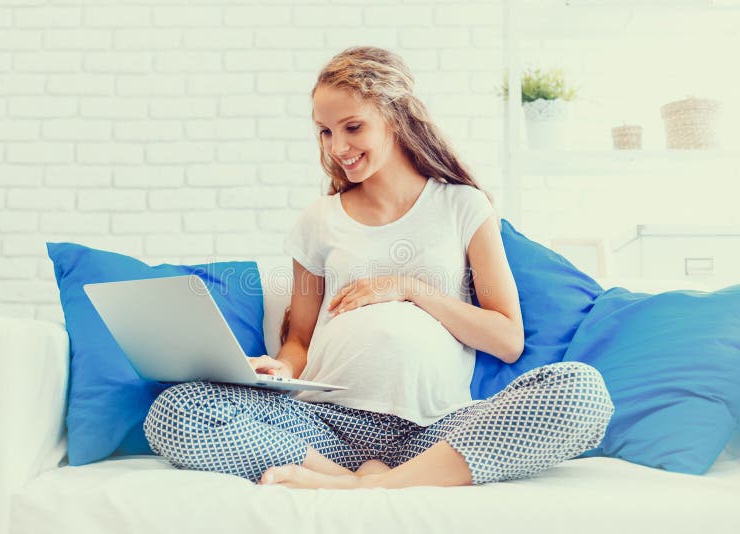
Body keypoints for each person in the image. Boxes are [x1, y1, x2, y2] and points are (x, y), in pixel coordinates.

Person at [143, 46, 614, 490]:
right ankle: (345, 479)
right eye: (325, 132)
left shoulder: (462, 207)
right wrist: (279, 368)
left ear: (395, 117)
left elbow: (508, 340)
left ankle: (373, 486)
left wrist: (409, 288)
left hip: (435, 428)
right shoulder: (318, 220)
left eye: (352, 127)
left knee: (580, 391)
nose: (337, 147)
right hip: (328, 424)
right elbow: (301, 339)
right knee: (177, 409)